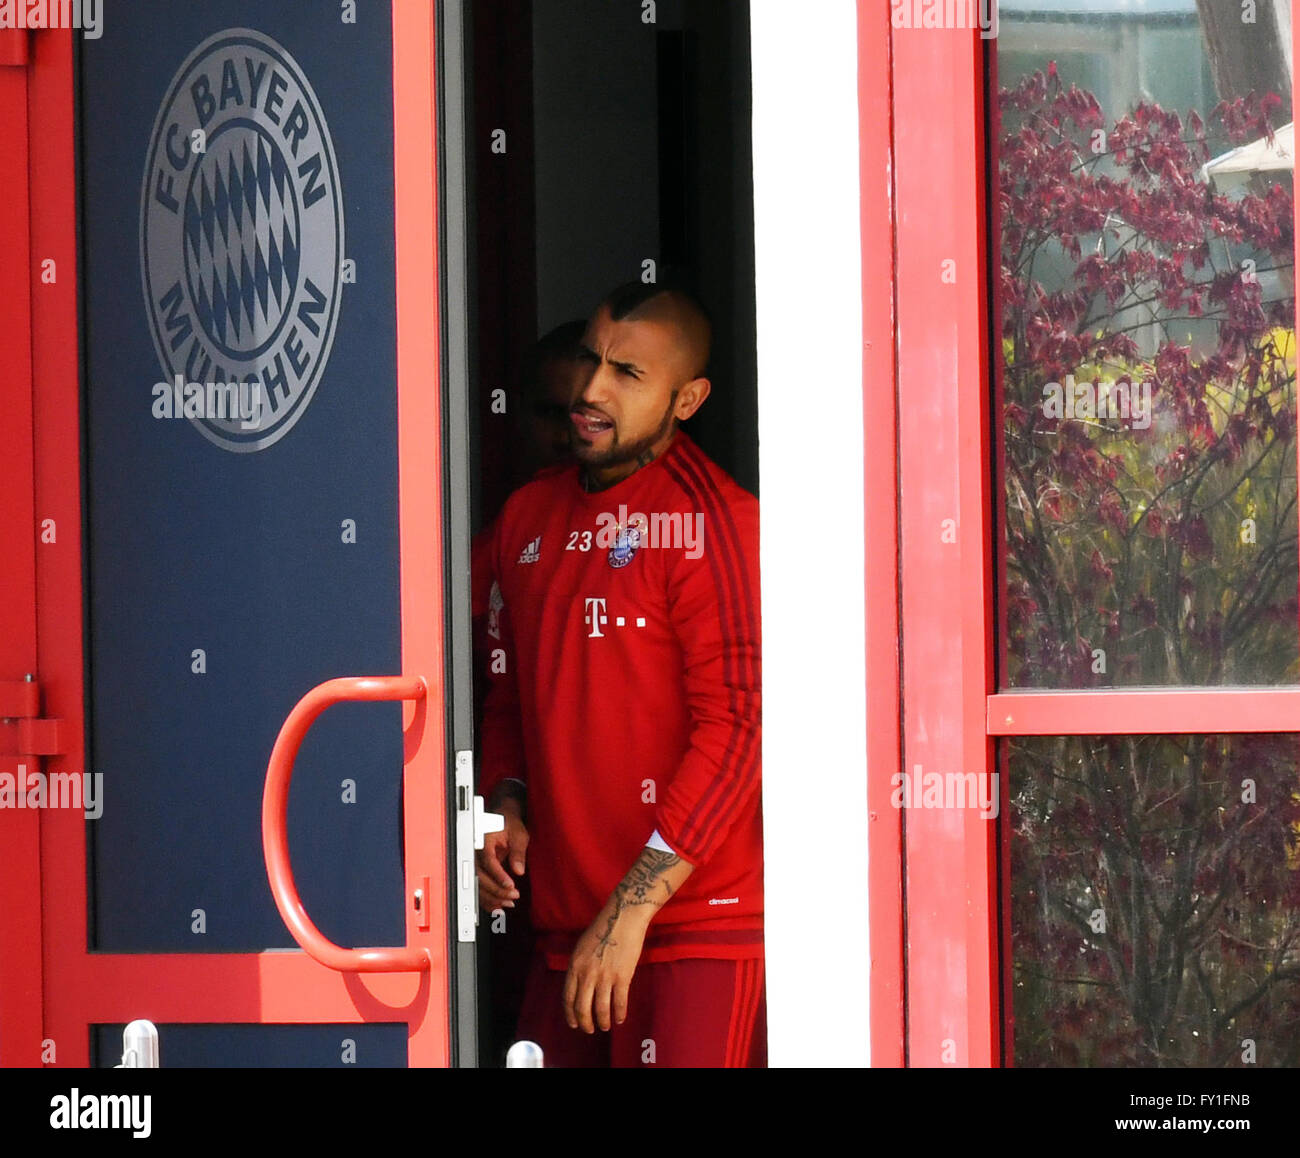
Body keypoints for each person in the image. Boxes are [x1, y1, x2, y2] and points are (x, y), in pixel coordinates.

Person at [475, 281, 764, 1068]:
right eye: (589, 360)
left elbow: (741, 733)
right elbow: (506, 693)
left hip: (695, 933)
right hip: (569, 934)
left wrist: (630, 911)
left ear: (687, 399)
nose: (591, 390)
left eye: (628, 375)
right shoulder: (528, 517)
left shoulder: (717, 523)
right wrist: (504, 801)